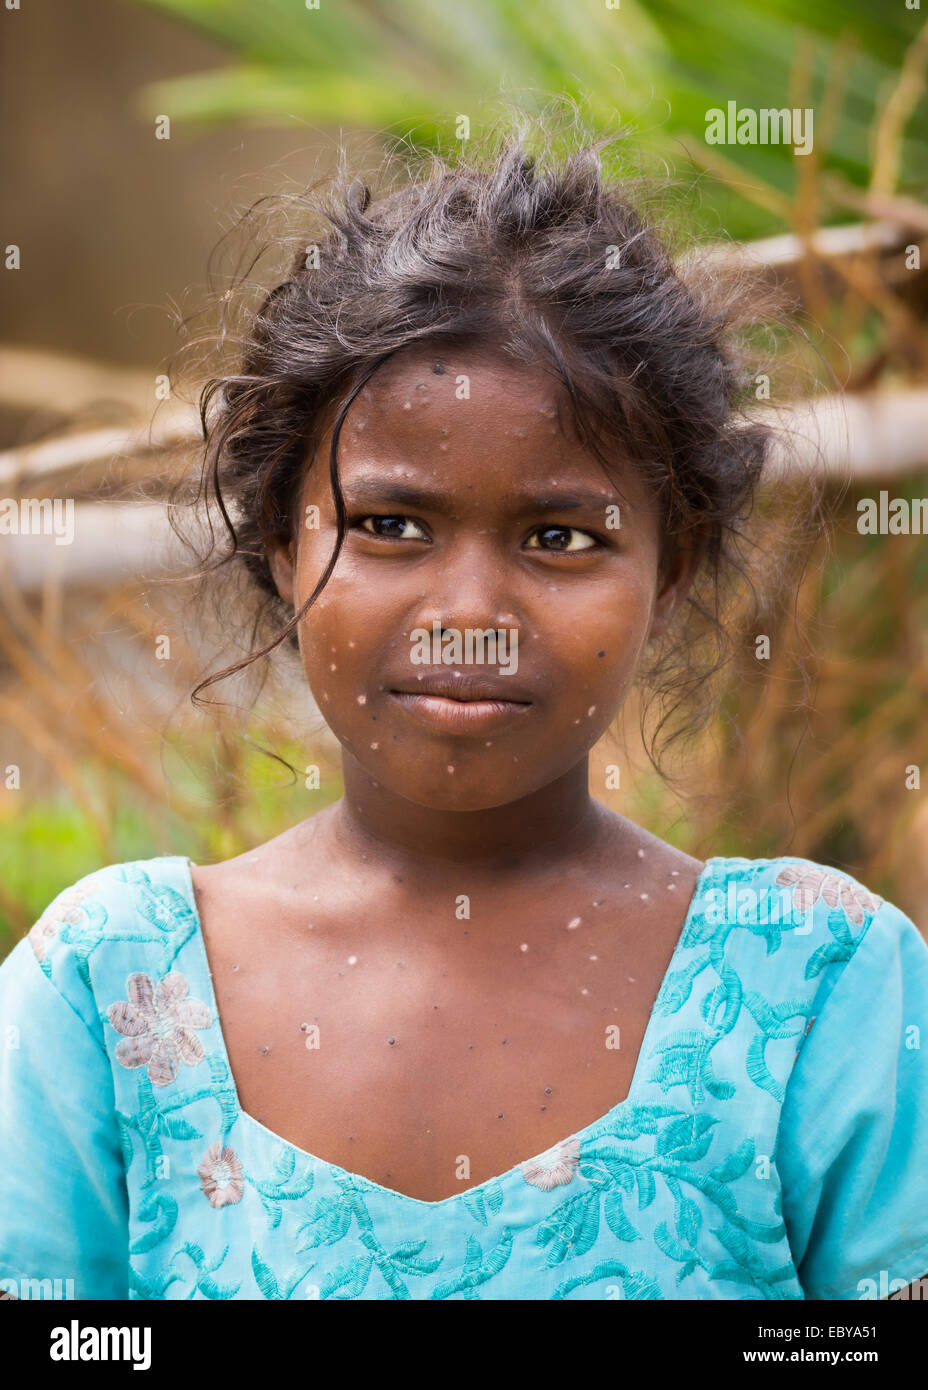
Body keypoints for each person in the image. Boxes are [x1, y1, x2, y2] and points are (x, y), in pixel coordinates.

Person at [2, 121, 927, 1302]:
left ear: (672, 567)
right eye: (390, 525)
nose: (470, 613)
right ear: (284, 544)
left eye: (560, 537)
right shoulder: (108, 991)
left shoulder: (818, 987)